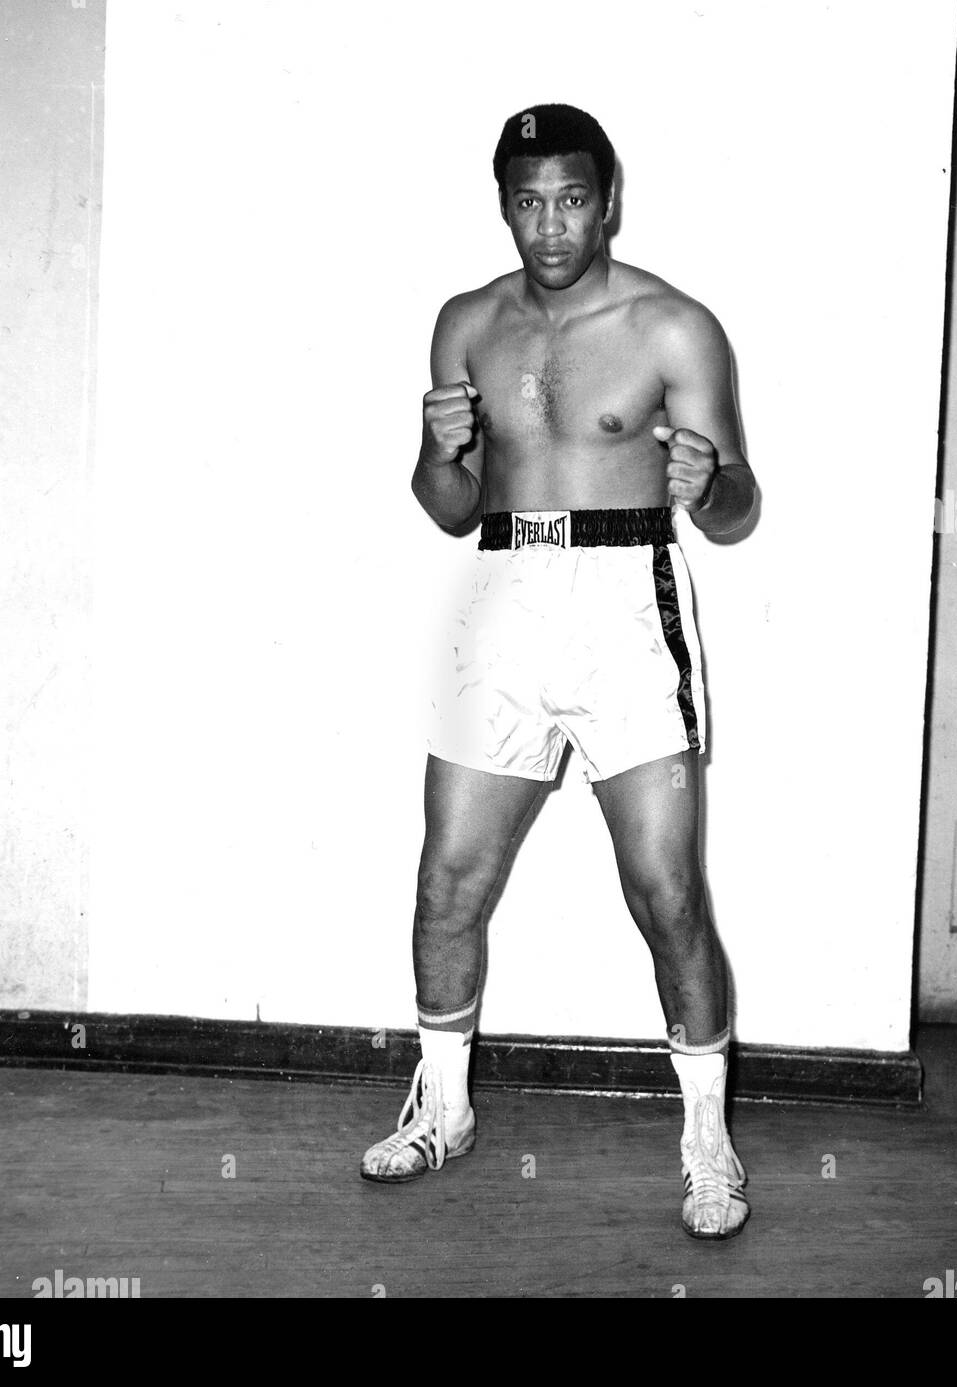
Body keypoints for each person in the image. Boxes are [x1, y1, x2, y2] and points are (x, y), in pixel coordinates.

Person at [360, 103, 757, 1240]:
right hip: (500, 596)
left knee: (667, 891)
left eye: (573, 199)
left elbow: (733, 509)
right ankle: (442, 1109)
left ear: (608, 198)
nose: (552, 224)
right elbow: (447, 509)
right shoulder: (465, 324)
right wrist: (439, 453)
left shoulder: (674, 327)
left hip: (629, 600)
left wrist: (708, 481)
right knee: (448, 878)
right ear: (503, 203)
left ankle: (705, 1141)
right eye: (529, 201)